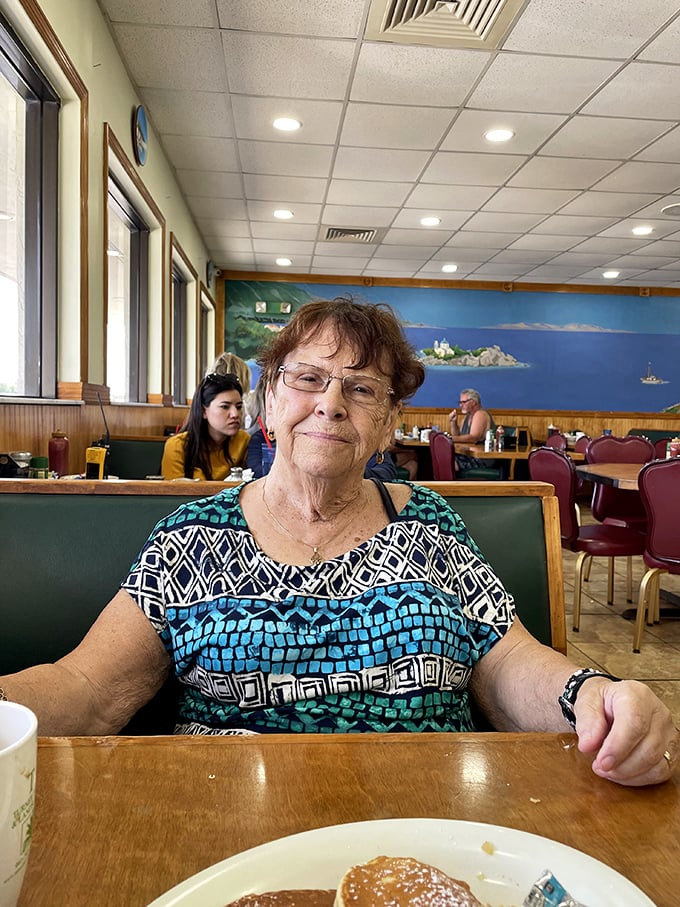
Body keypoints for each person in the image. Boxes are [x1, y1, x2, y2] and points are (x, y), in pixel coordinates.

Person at [0, 298, 676, 789]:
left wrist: (592, 693)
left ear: (386, 425)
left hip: (427, 824)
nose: (331, 403)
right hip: (227, 831)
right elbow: (86, 686)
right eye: (308, 378)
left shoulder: (431, 526)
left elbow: (507, 664)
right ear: (268, 403)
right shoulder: (191, 538)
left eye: (360, 388)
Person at [161, 372, 249, 480]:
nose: (235, 414)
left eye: (239, 407)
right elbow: (172, 494)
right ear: (203, 411)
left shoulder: (244, 441)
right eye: (225, 407)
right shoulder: (178, 446)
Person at [448, 388, 496, 472]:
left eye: (463, 402)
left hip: (482, 459)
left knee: (448, 462)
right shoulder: (467, 417)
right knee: (445, 458)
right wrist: (453, 422)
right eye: (460, 402)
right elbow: (458, 437)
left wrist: (449, 438)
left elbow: (474, 438)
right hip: (468, 455)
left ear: (473, 402)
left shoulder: (480, 414)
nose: (460, 405)